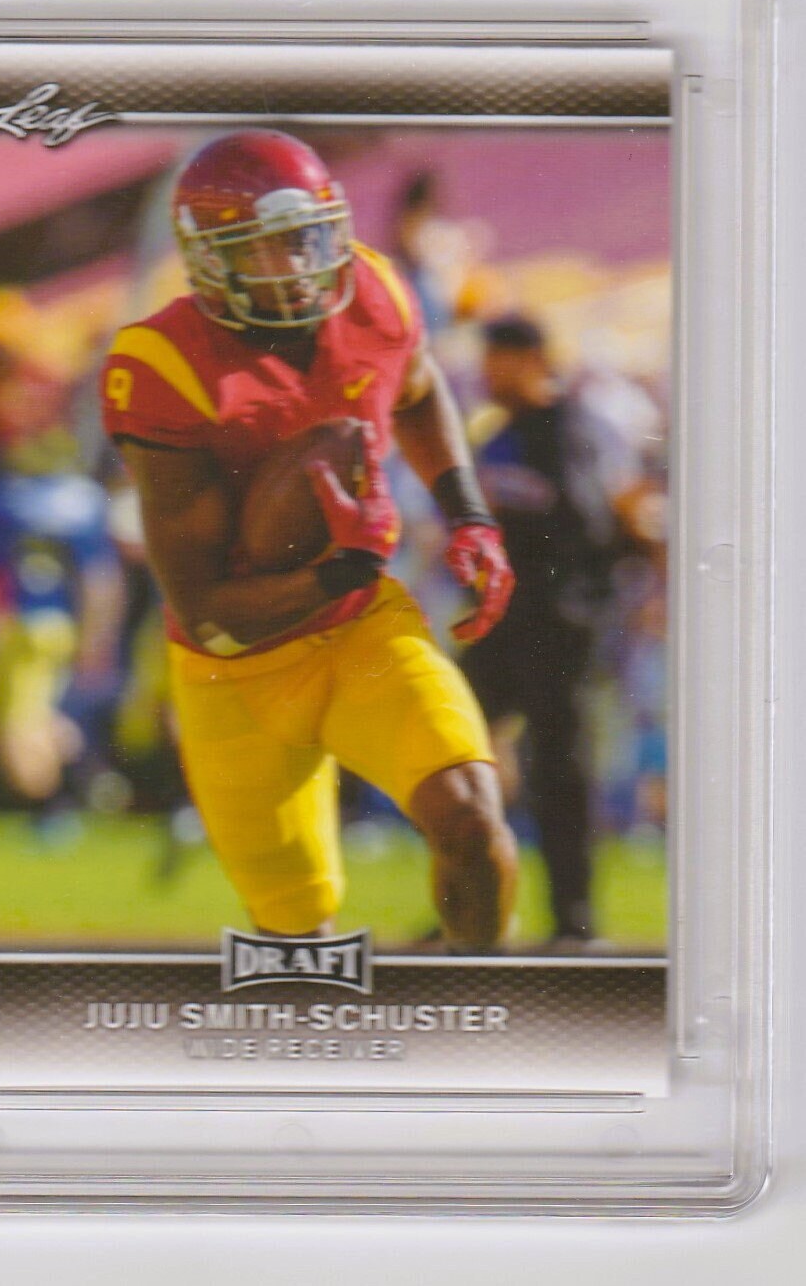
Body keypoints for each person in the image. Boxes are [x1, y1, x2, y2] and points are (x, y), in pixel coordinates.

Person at [100, 129, 517, 949]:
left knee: (471, 819)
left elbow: (418, 388)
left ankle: (480, 1006)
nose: (293, 265)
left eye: (302, 238)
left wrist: (468, 510)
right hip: (234, 672)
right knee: (297, 935)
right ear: (210, 259)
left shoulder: (376, 291)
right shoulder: (164, 363)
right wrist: (342, 566)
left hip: (359, 629)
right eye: (262, 247)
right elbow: (209, 611)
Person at [461, 313, 648, 950]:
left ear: (534, 359)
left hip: (560, 623)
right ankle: (468, 907)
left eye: (501, 359)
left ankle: (574, 922)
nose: (490, 373)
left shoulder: (573, 427)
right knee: (452, 747)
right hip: (504, 623)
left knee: (559, 772)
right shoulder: (499, 435)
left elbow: (600, 520)